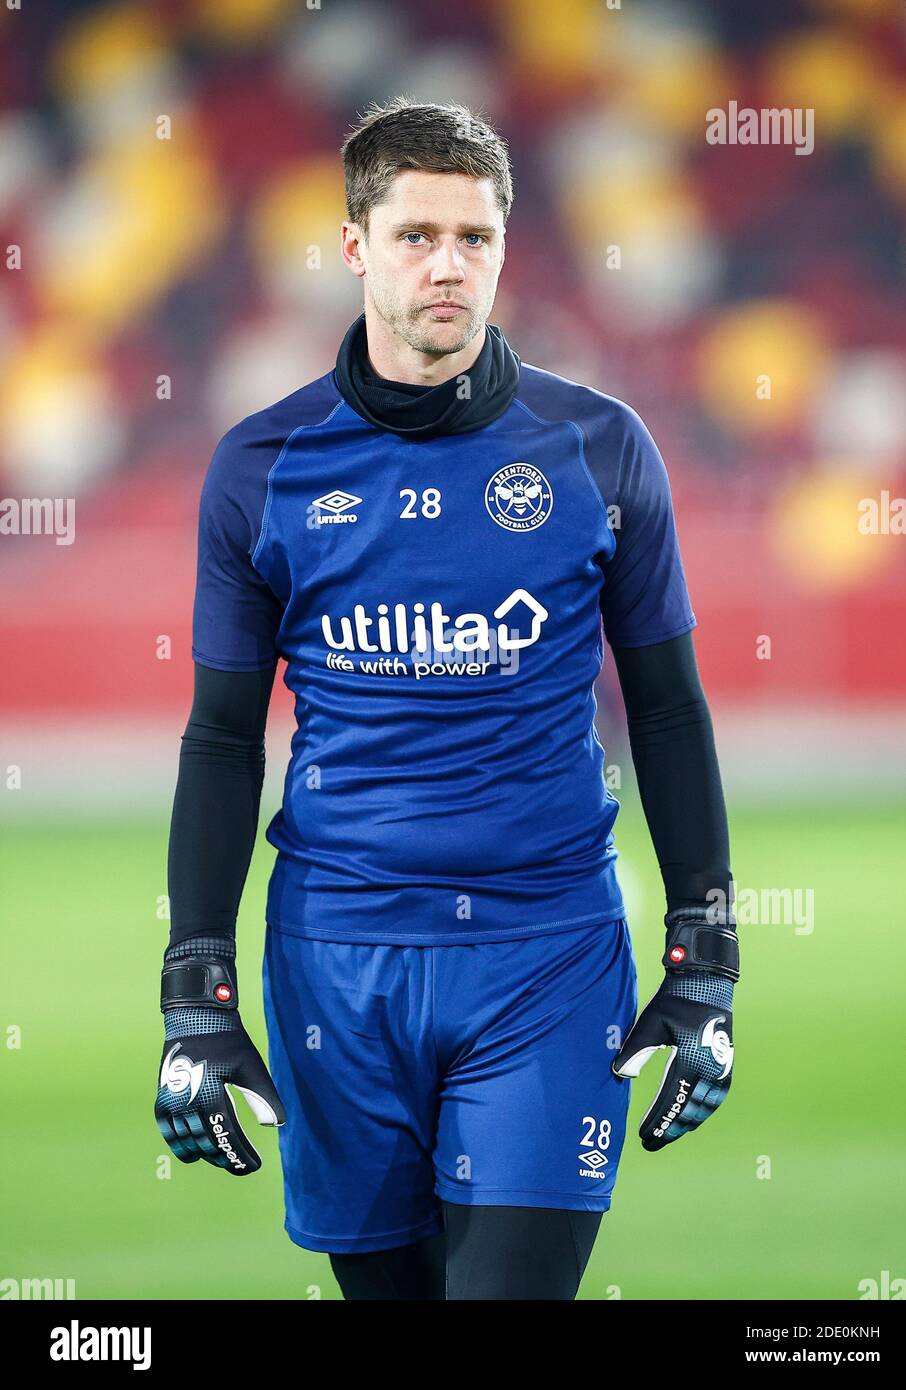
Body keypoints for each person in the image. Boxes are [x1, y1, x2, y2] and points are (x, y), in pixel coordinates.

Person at [155, 97, 738, 1302]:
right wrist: (192, 985)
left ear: (505, 250)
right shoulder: (261, 468)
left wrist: (706, 954)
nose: (449, 266)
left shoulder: (601, 448)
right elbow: (221, 737)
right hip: (336, 960)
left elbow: (672, 711)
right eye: (417, 234)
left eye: (475, 238)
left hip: (547, 952)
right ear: (356, 245)